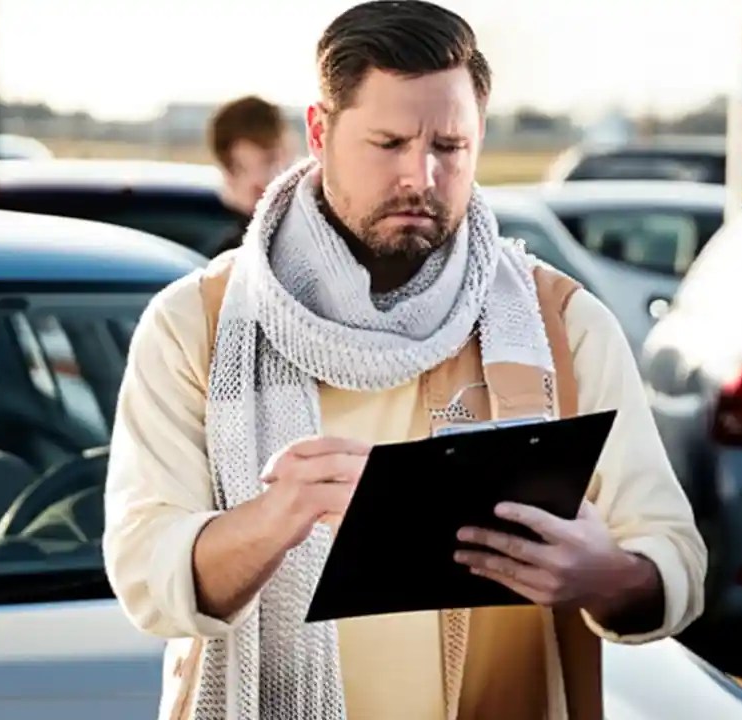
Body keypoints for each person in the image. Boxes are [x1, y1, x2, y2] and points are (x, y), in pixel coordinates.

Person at [103, 2, 706, 718]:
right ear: (320, 132)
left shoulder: (562, 326)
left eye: (450, 146)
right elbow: (146, 577)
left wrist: (603, 576)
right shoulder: (194, 325)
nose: (420, 175)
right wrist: (279, 518)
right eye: (387, 142)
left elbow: (675, 560)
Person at [206, 95, 294, 256]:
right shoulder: (232, 256)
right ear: (228, 176)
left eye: (270, 161)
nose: (258, 180)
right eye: (240, 169)